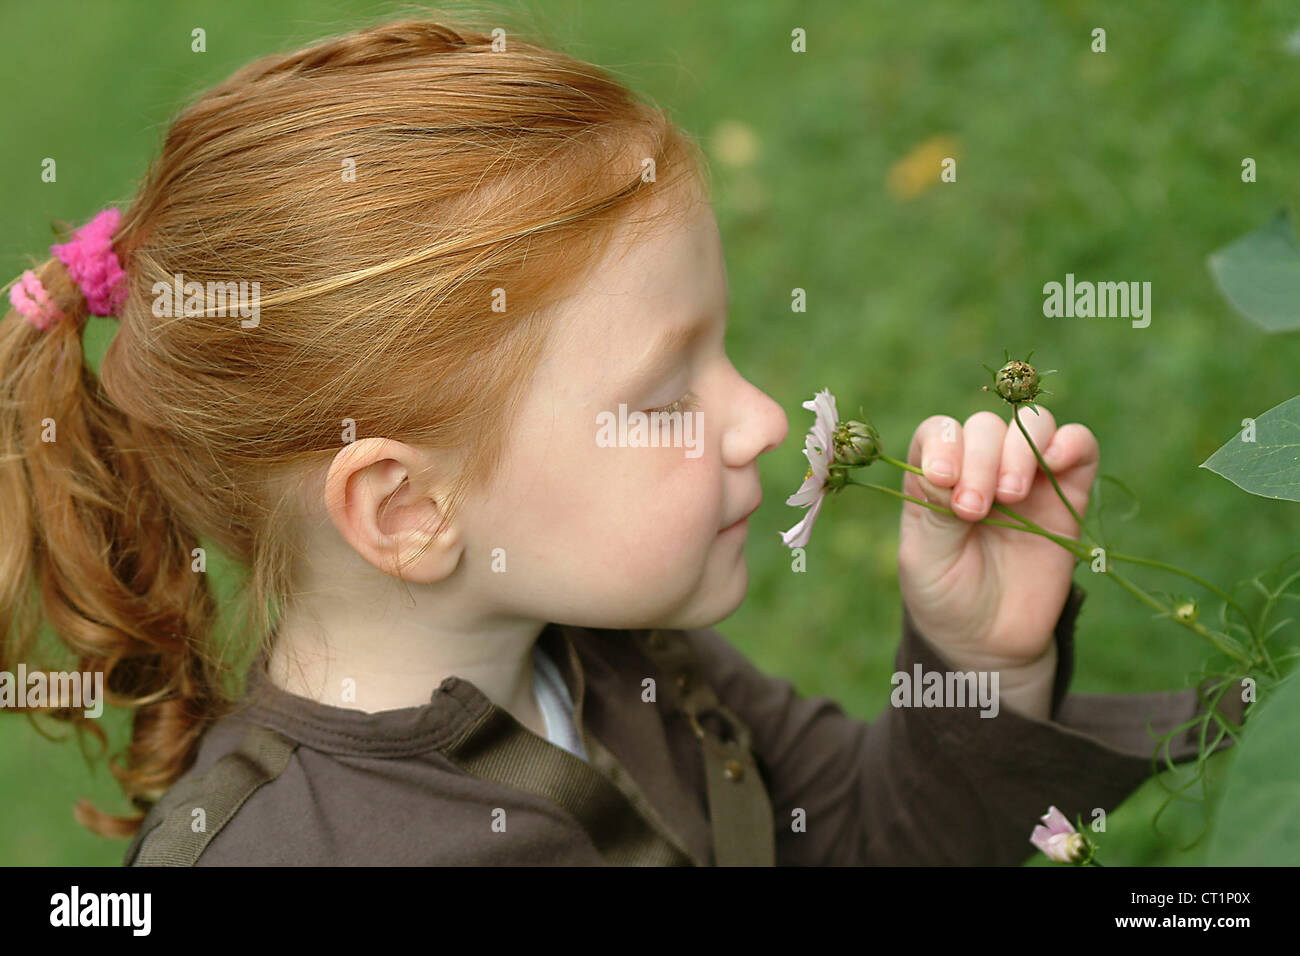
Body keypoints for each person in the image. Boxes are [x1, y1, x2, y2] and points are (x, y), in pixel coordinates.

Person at [0, 15, 1239, 866]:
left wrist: (979, 663)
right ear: (406, 511)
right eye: (666, 389)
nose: (760, 418)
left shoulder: (618, 658)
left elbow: (870, 845)